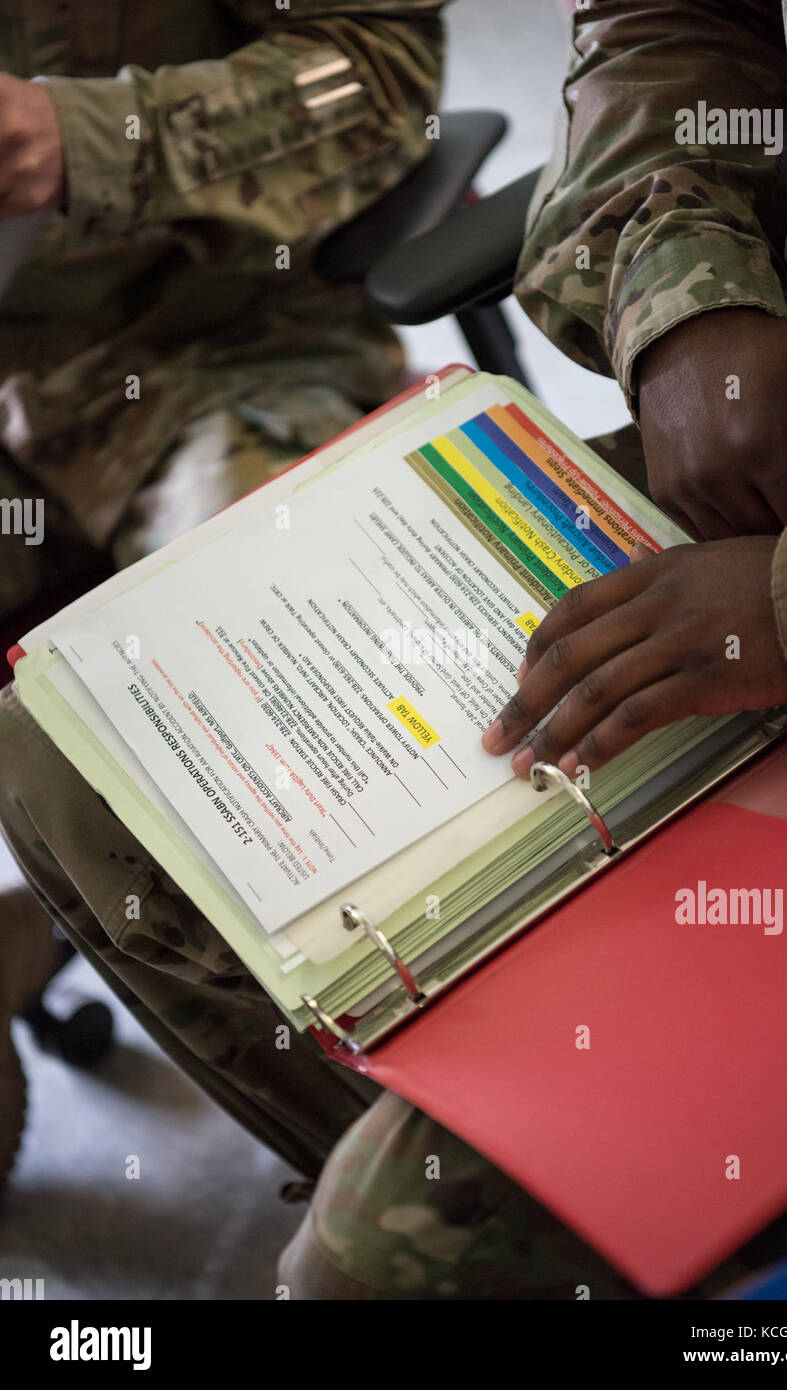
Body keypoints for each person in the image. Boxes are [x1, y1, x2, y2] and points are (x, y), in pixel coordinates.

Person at [1, 0, 787, 1297]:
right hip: (764, 435)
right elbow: (664, 24)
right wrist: (685, 298)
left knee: (372, 1248)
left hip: (201, 364)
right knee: (59, 750)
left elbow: (379, 77)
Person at [0, 0, 448, 1185]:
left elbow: (387, 72)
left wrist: (92, 135)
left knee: (299, 758)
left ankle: (429, 1197)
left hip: (212, 341)